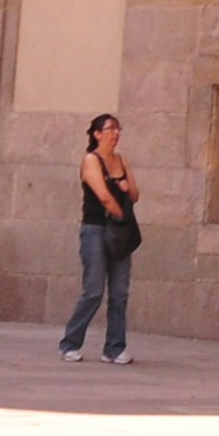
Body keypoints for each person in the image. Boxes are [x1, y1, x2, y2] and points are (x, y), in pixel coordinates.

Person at [59, 113, 137, 364]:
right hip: (96, 230)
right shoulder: (91, 161)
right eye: (110, 128)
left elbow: (135, 194)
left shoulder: (122, 160)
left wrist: (127, 188)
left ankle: (114, 347)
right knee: (93, 290)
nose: (116, 133)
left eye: (118, 128)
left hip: (120, 232)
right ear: (97, 134)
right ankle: (70, 342)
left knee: (119, 292)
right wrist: (120, 214)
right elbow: (103, 196)